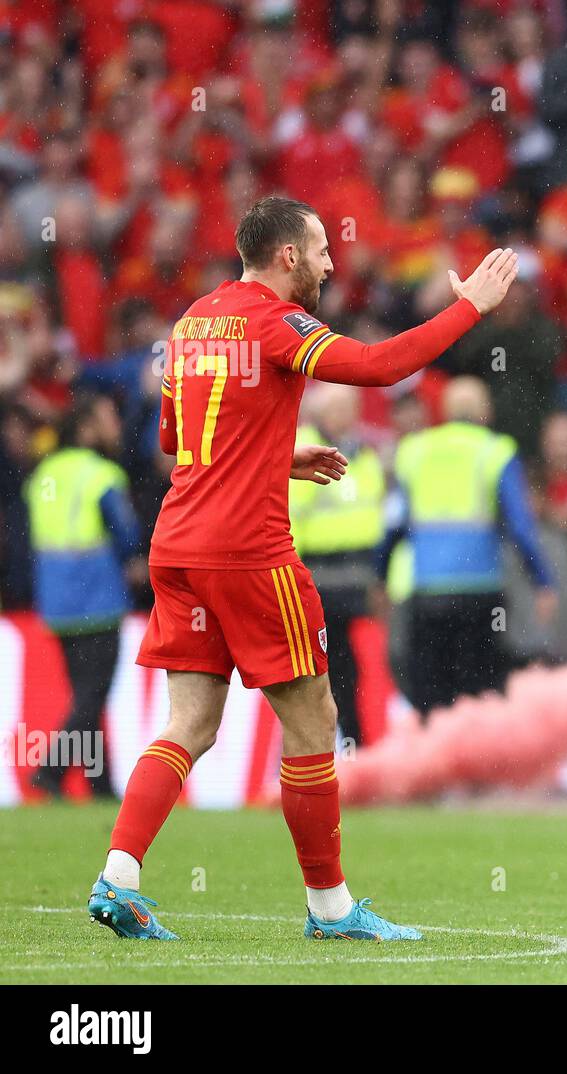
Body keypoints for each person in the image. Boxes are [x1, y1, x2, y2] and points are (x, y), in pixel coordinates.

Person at [86, 195, 519, 941]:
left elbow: (178, 438)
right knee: (315, 720)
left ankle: (118, 877)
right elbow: (378, 367)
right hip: (248, 553)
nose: (329, 262)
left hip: (178, 547)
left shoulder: (192, 321)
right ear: (287, 256)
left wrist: (275, 457)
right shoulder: (277, 320)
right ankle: (330, 909)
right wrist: (470, 310)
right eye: (320, 251)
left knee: (188, 723)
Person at [382, 375, 555, 716]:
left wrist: (379, 576)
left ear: (444, 410)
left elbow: (393, 526)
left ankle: (435, 764)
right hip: (481, 592)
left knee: (431, 693)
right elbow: (521, 527)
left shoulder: (414, 451)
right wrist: (543, 581)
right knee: (480, 693)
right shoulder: (496, 451)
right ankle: (477, 766)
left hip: (428, 592)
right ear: (484, 411)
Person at [25, 393, 144, 798]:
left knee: (85, 697)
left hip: (56, 601)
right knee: (93, 695)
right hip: (97, 597)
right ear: (86, 428)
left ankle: (100, 784)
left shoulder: (44, 473)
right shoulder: (101, 474)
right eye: (108, 416)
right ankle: (51, 770)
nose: (115, 426)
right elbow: (127, 536)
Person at [289, 383, 386, 751]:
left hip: (354, 578)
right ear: (320, 413)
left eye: (351, 407)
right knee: (327, 668)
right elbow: (291, 516)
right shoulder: (303, 450)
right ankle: (336, 747)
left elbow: (371, 510)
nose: (348, 416)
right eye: (339, 408)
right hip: (317, 577)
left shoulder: (361, 452)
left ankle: (351, 745)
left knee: (344, 666)